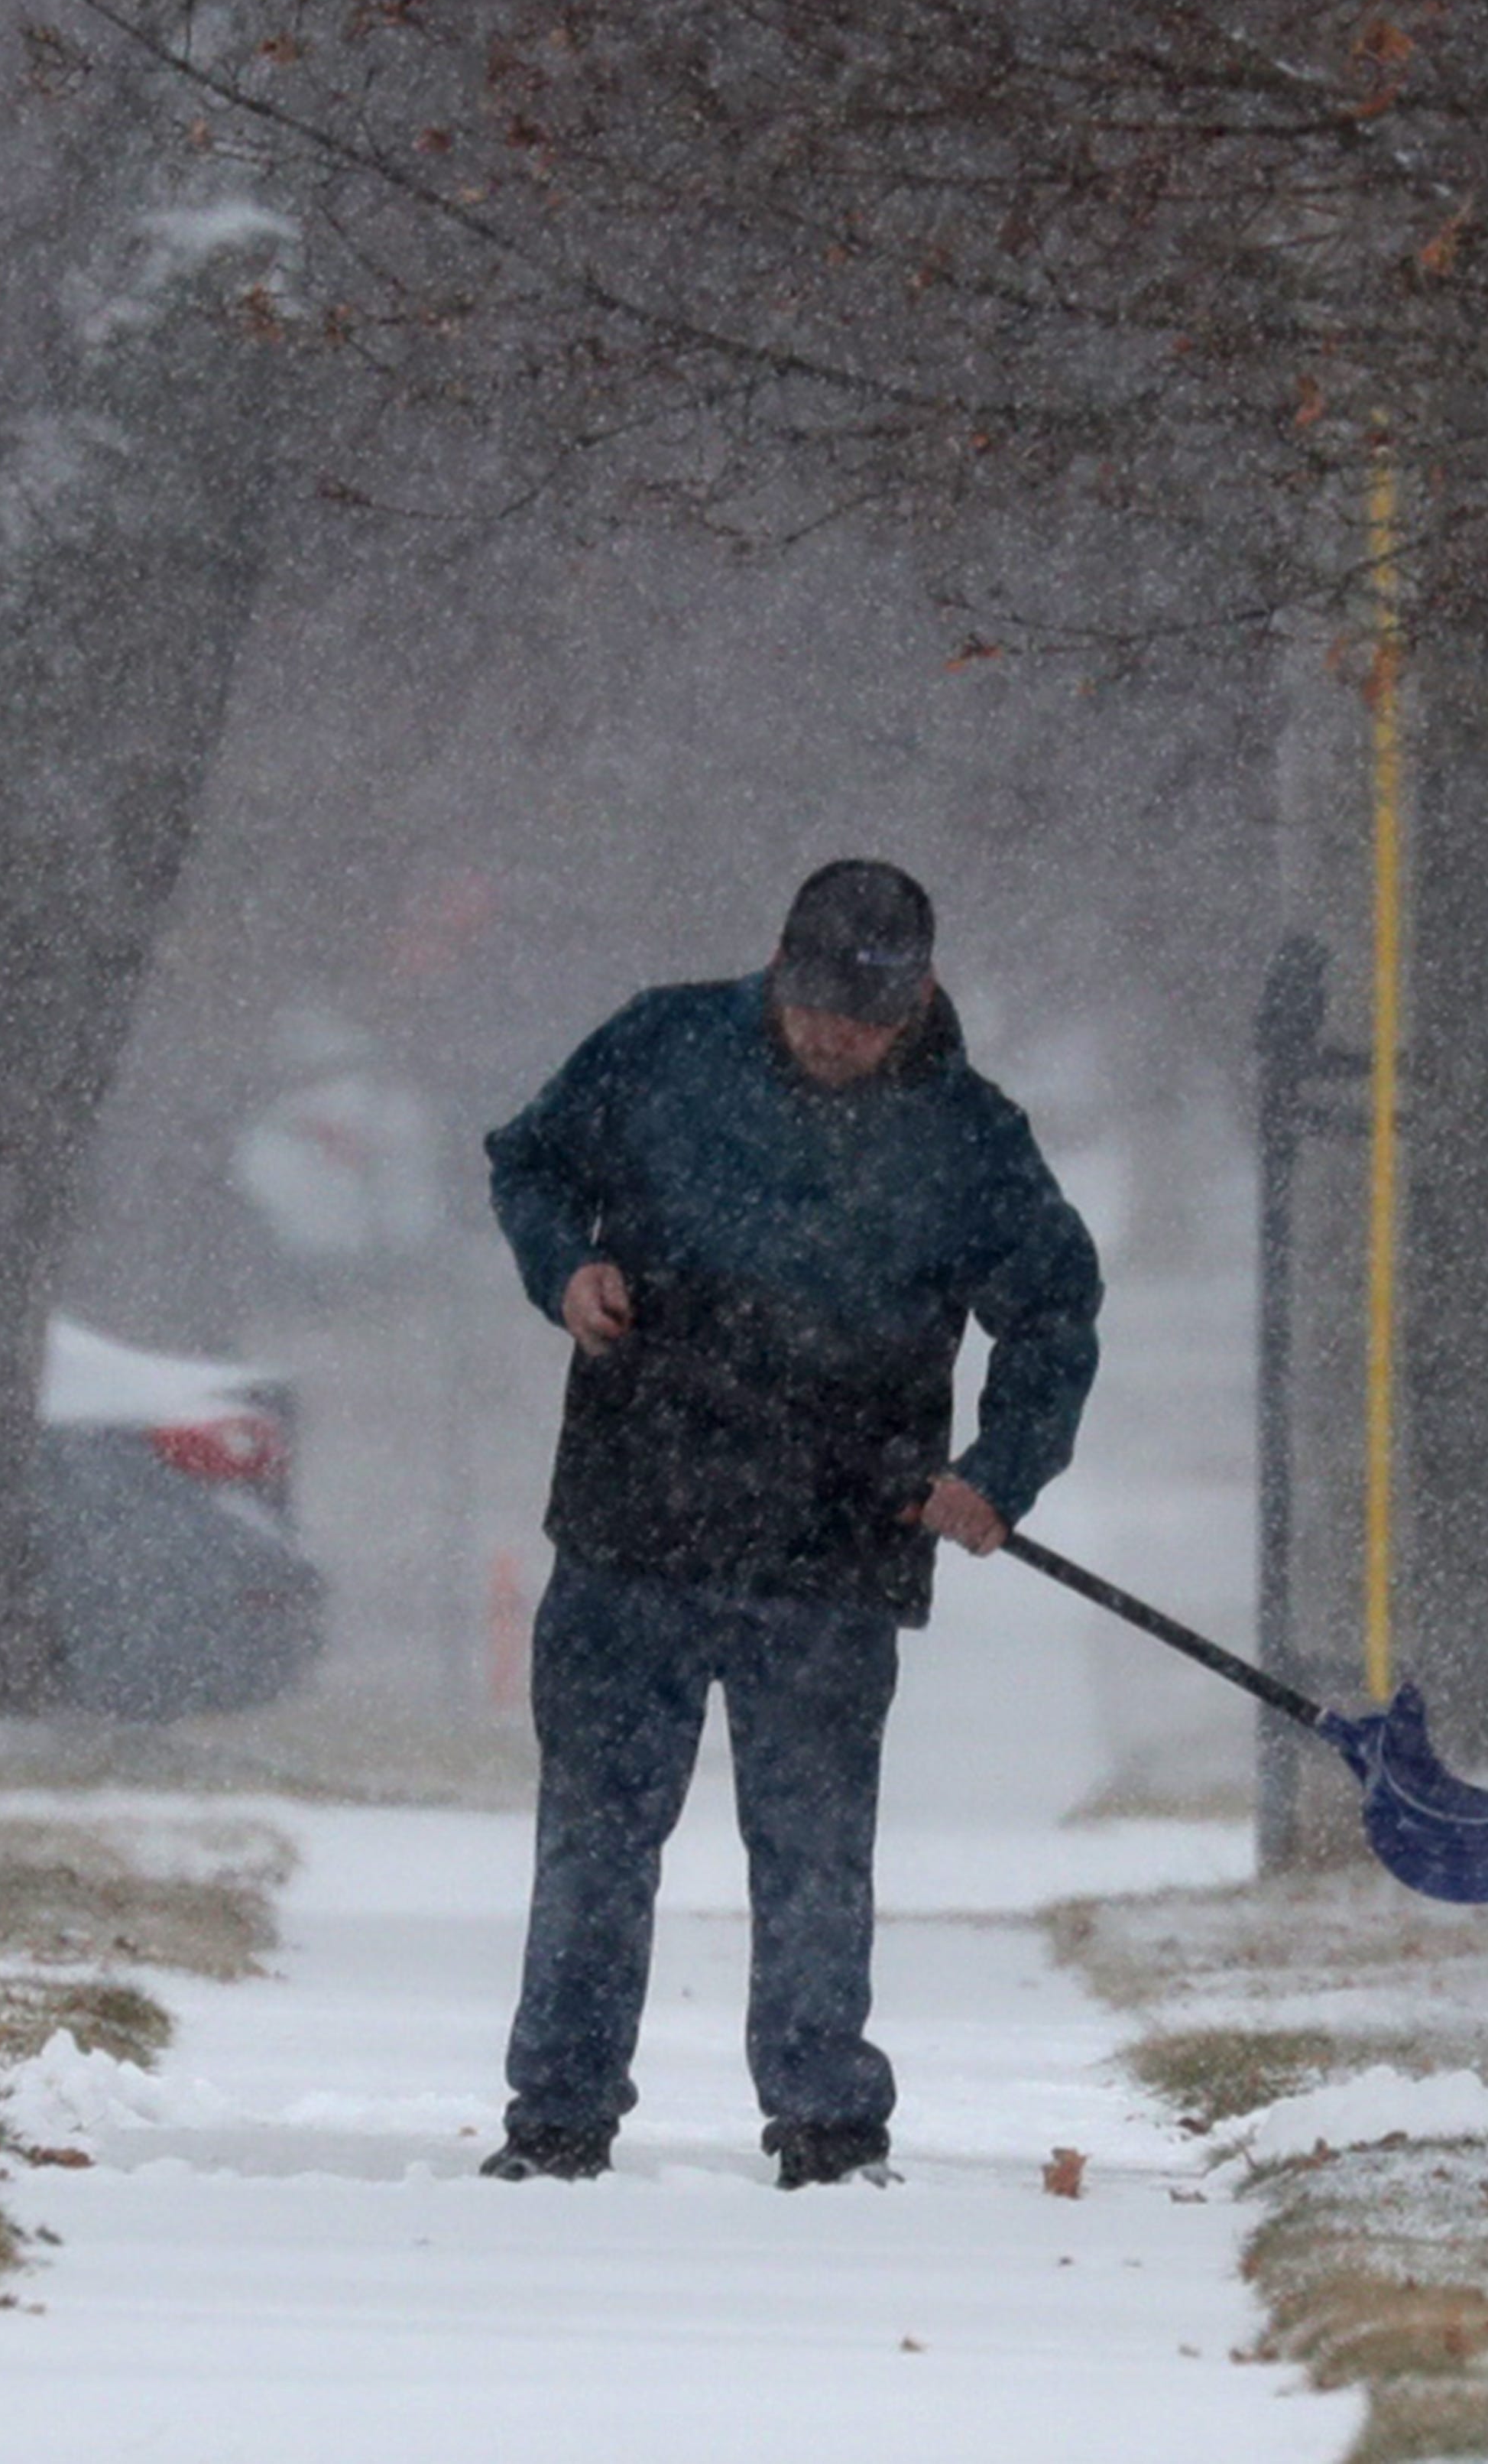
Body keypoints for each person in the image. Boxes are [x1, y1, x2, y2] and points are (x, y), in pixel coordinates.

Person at [478, 859, 1103, 2188]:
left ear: (921, 996)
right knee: (597, 1829)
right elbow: (529, 1162)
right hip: (631, 1515)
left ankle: (828, 2123)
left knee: (815, 1846)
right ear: (777, 969)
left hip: (838, 1542)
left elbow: (1053, 1314)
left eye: (867, 1022)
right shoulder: (660, 1046)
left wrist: (1000, 1471)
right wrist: (565, 1271)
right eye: (818, 1010)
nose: (836, 1040)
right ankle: (557, 2117)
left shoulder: (971, 1136)